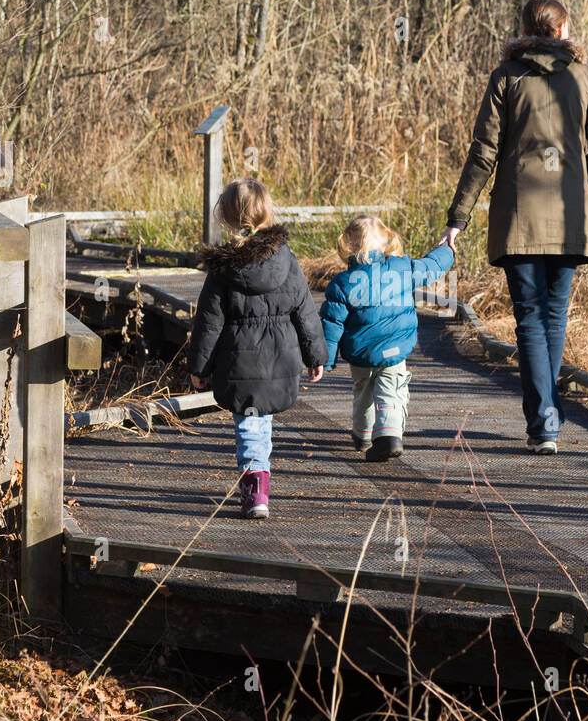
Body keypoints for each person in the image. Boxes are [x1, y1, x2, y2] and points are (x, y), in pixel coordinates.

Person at [441, 0, 588, 454]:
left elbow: (484, 151)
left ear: (526, 31)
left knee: (531, 320)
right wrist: (576, 182)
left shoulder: (507, 78)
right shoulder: (587, 77)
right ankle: (547, 420)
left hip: (517, 216)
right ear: (562, 31)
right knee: (554, 316)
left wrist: (458, 217)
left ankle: (544, 422)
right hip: (569, 217)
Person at [187, 179, 328, 518]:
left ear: (226, 218)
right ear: (268, 213)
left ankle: (256, 491)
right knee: (260, 421)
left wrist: (198, 367)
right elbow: (305, 310)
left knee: (250, 424)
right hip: (280, 361)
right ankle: (260, 483)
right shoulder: (287, 260)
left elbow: (209, 322)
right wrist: (315, 356)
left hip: (240, 364)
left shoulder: (222, 269)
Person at [319, 214, 454, 462]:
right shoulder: (403, 268)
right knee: (391, 391)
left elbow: (332, 323)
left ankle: (363, 434)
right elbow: (430, 266)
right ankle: (389, 436)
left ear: (349, 244)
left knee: (363, 392)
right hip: (394, 347)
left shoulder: (343, 283)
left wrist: (324, 359)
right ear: (385, 243)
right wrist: (447, 249)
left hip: (361, 352)